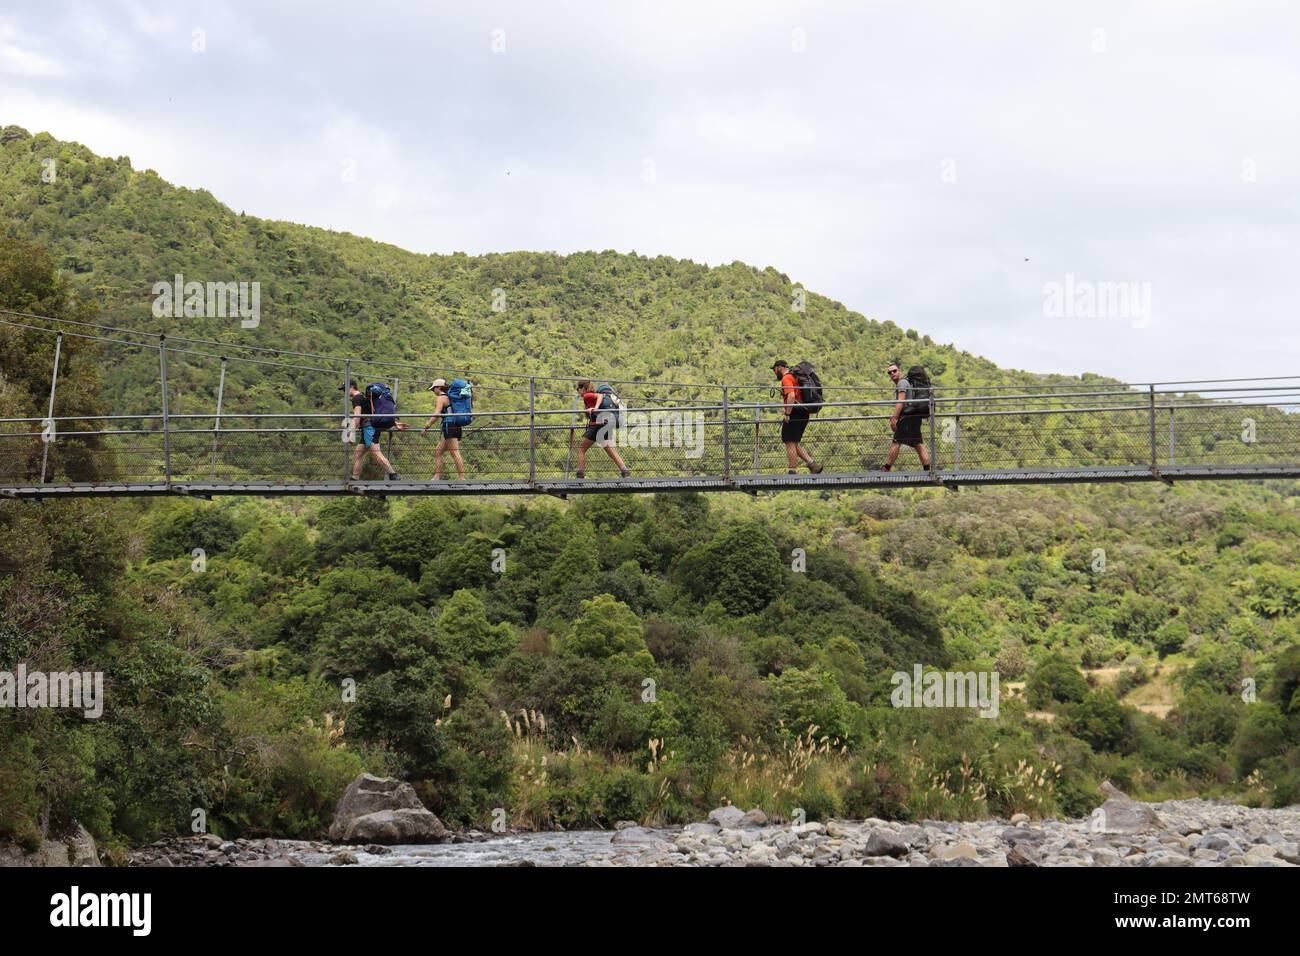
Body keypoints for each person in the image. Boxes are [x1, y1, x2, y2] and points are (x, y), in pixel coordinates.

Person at [344, 379, 406, 480]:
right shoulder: (364, 396)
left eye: (345, 389)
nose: (344, 392)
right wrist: (394, 424)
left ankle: (393, 475)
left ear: (351, 387)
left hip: (369, 428)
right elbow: (374, 411)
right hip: (369, 427)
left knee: (376, 453)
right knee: (357, 454)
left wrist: (351, 432)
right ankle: (354, 478)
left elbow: (357, 416)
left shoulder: (356, 398)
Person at [772, 360, 823, 475]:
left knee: (789, 441)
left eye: (774, 370)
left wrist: (787, 414)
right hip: (804, 412)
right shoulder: (795, 377)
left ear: (779, 368)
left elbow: (791, 395)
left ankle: (792, 471)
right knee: (794, 442)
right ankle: (813, 465)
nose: (775, 373)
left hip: (794, 413)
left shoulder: (786, 378)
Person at [574, 379, 630, 478]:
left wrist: (595, 407)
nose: (578, 391)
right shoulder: (589, 397)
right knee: (608, 448)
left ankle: (580, 475)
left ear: (584, 388)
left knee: (581, 449)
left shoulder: (588, 395)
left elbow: (600, 396)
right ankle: (624, 470)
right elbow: (589, 415)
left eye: (578, 389)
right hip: (605, 423)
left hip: (597, 425)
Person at [883, 363, 932, 471]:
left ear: (899, 371)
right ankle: (928, 470)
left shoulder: (902, 383)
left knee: (896, 442)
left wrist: (894, 418)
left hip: (907, 418)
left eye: (894, 371)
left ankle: (886, 469)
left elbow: (901, 401)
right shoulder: (906, 383)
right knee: (918, 444)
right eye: (889, 372)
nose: (892, 373)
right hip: (914, 416)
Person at [421, 378, 466, 480]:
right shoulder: (451, 397)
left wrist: (426, 426)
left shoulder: (441, 398)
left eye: (434, 389)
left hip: (450, 426)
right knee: (438, 451)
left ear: (439, 388)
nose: (433, 391)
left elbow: (436, 414)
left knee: (455, 452)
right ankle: (437, 476)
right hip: (455, 425)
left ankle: (462, 478)